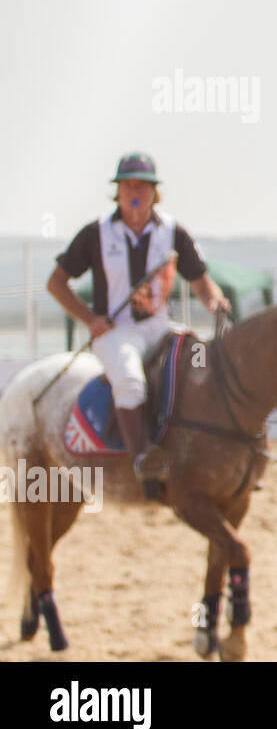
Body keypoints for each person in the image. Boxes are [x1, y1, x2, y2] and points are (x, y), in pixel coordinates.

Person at [46, 153, 229, 499]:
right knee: (130, 381)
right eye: (128, 184)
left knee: (203, 360)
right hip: (117, 333)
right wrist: (89, 319)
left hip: (159, 326)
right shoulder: (95, 233)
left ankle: (214, 450)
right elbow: (56, 283)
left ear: (154, 192)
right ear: (116, 191)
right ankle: (143, 458)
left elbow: (201, 281)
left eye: (142, 186)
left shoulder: (173, 232)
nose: (135, 191)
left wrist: (214, 301)